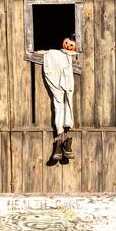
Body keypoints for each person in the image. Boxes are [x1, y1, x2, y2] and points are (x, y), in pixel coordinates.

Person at [42, 37, 78, 165]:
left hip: (65, 84)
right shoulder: (54, 55)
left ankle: (64, 142)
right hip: (60, 83)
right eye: (67, 43)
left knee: (65, 103)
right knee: (59, 104)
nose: (68, 46)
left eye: (71, 45)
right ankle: (59, 142)